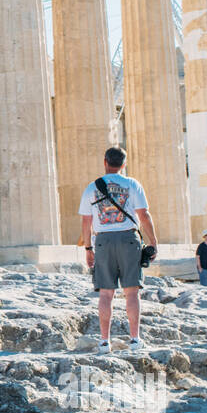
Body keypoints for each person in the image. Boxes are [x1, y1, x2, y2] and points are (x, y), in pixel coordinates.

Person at [79, 145, 158, 352]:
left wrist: (88, 248)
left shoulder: (91, 188)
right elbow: (144, 215)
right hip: (128, 238)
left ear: (105, 162)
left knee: (106, 294)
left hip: (103, 240)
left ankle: (104, 341)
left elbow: (86, 222)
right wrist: (153, 241)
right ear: (124, 164)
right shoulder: (132, 184)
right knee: (132, 293)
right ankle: (135, 339)